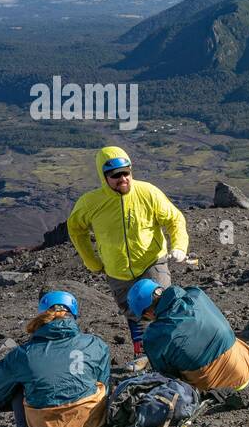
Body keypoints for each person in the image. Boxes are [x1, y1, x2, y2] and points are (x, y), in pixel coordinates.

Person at [67, 147, 188, 361]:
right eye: (116, 175)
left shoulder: (147, 192)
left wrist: (178, 246)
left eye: (126, 172)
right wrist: (92, 261)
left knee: (162, 308)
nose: (123, 179)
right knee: (134, 313)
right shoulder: (90, 203)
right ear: (104, 178)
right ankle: (143, 356)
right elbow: (76, 229)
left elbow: (174, 219)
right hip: (118, 271)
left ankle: (175, 355)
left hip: (151, 262)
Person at [0, 292, 111, 427]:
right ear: (73, 315)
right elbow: (106, 386)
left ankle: (43, 426)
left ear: (41, 315)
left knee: (16, 385)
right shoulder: (95, 344)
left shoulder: (21, 355)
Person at [128, 279, 249, 391]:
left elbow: (165, 375)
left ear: (147, 313)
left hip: (213, 386)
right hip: (245, 363)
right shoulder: (195, 293)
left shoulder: (154, 336)